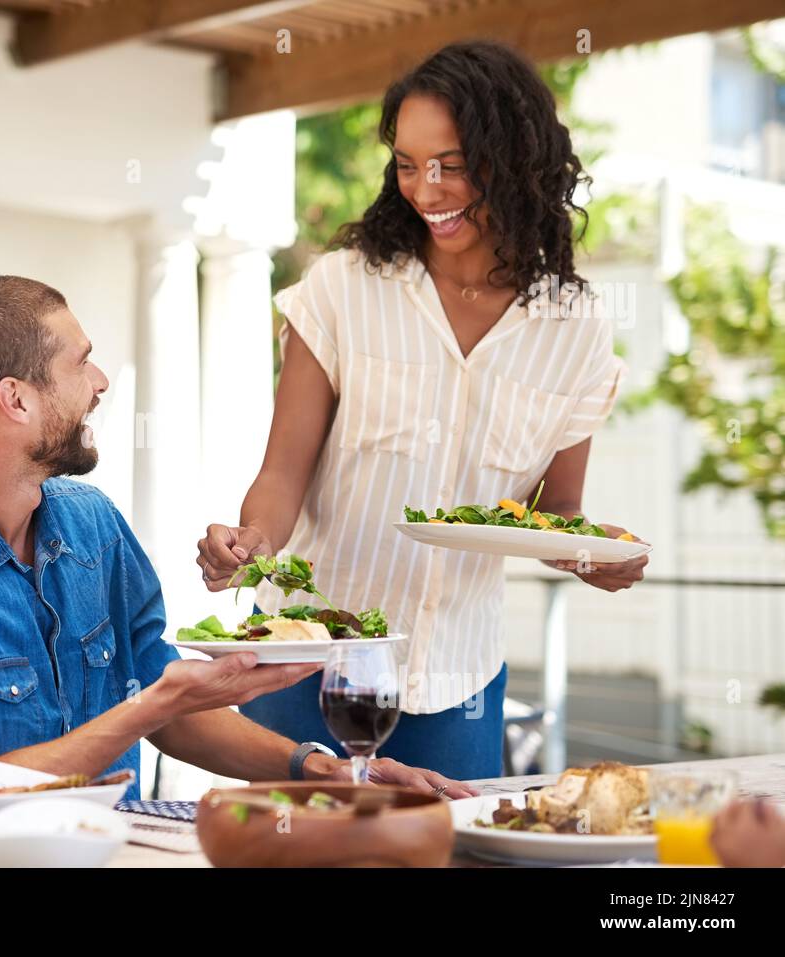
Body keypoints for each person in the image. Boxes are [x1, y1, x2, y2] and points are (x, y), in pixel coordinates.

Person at [0, 275, 479, 812]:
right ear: (15, 400)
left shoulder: (91, 525)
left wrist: (325, 771)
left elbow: (167, 708)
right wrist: (152, 703)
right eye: (80, 362)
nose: (101, 381)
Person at [196, 41, 647, 781]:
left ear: (518, 156)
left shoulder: (577, 326)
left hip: (456, 688)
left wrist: (593, 557)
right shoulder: (344, 288)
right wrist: (248, 543)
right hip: (307, 668)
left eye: (452, 163)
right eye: (407, 164)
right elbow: (282, 474)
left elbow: (557, 510)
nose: (426, 189)